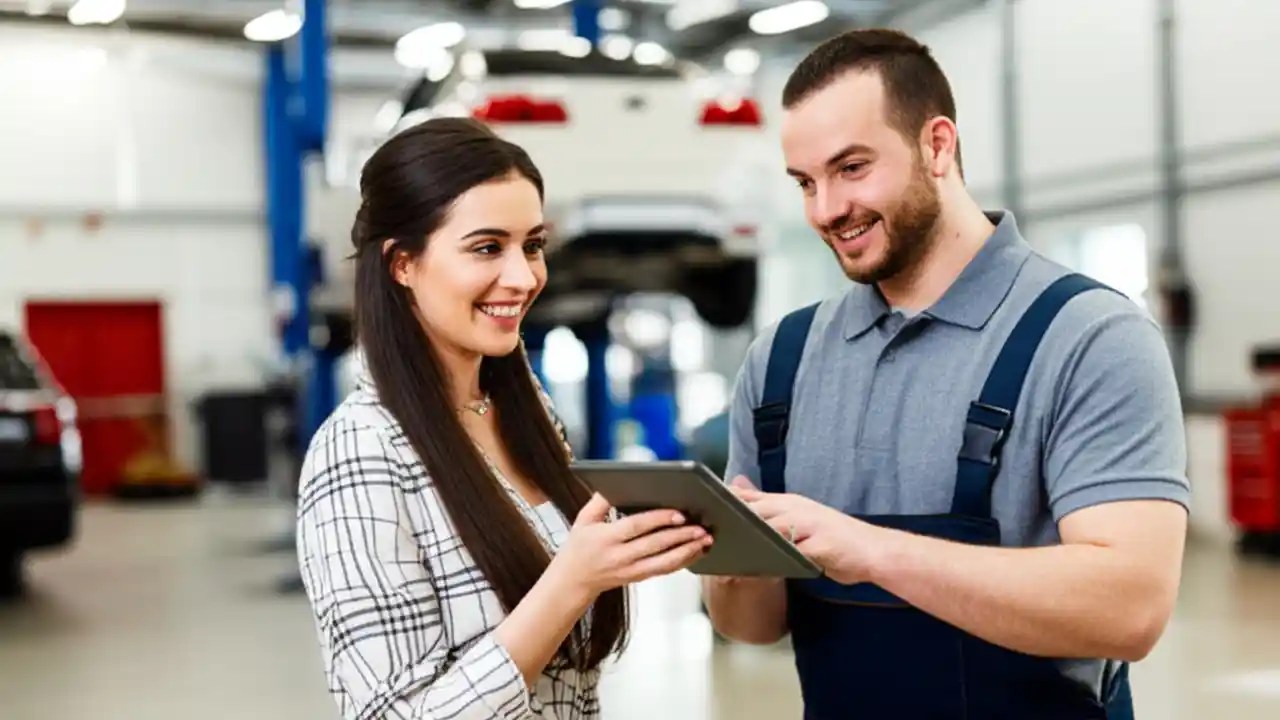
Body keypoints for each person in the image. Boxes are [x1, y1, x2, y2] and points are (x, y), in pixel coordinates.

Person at [703, 28, 1189, 719]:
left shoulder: (1089, 337)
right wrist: (730, 565)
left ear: (937, 145)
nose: (825, 210)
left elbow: (1130, 608)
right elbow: (754, 626)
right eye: (805, 182)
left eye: (852, 169)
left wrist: (870, 550)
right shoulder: (781, 359)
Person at [295, 117, 713, 720]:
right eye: (487, 247)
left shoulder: (525, 408)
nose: (523, 278)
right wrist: (572, 582)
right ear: (401, 264)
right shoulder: (360, 452)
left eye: (533, 245)